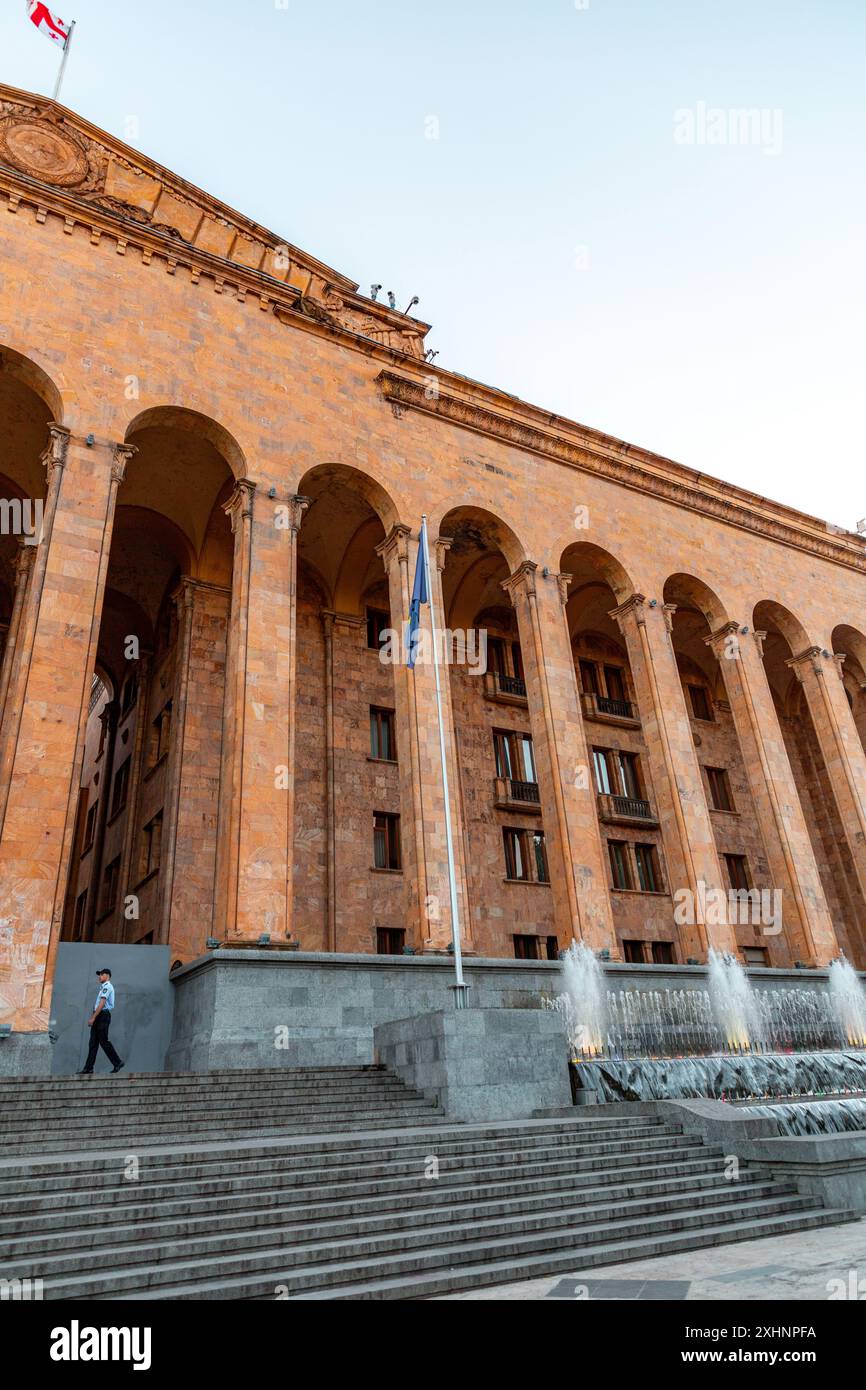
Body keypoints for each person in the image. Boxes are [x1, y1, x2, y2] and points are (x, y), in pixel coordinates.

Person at [80, 968, 124, 1074]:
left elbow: (102, 1003)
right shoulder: (102, 987)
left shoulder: (107, 987)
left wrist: (93, 1017)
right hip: (99, 1015)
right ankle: (88, 1068)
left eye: (101, 974)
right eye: (99, 975)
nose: (99, 976)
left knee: (103, 1041)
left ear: (107, 976)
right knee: (93, 1043)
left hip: (102, 1016)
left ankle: (118, 1062)